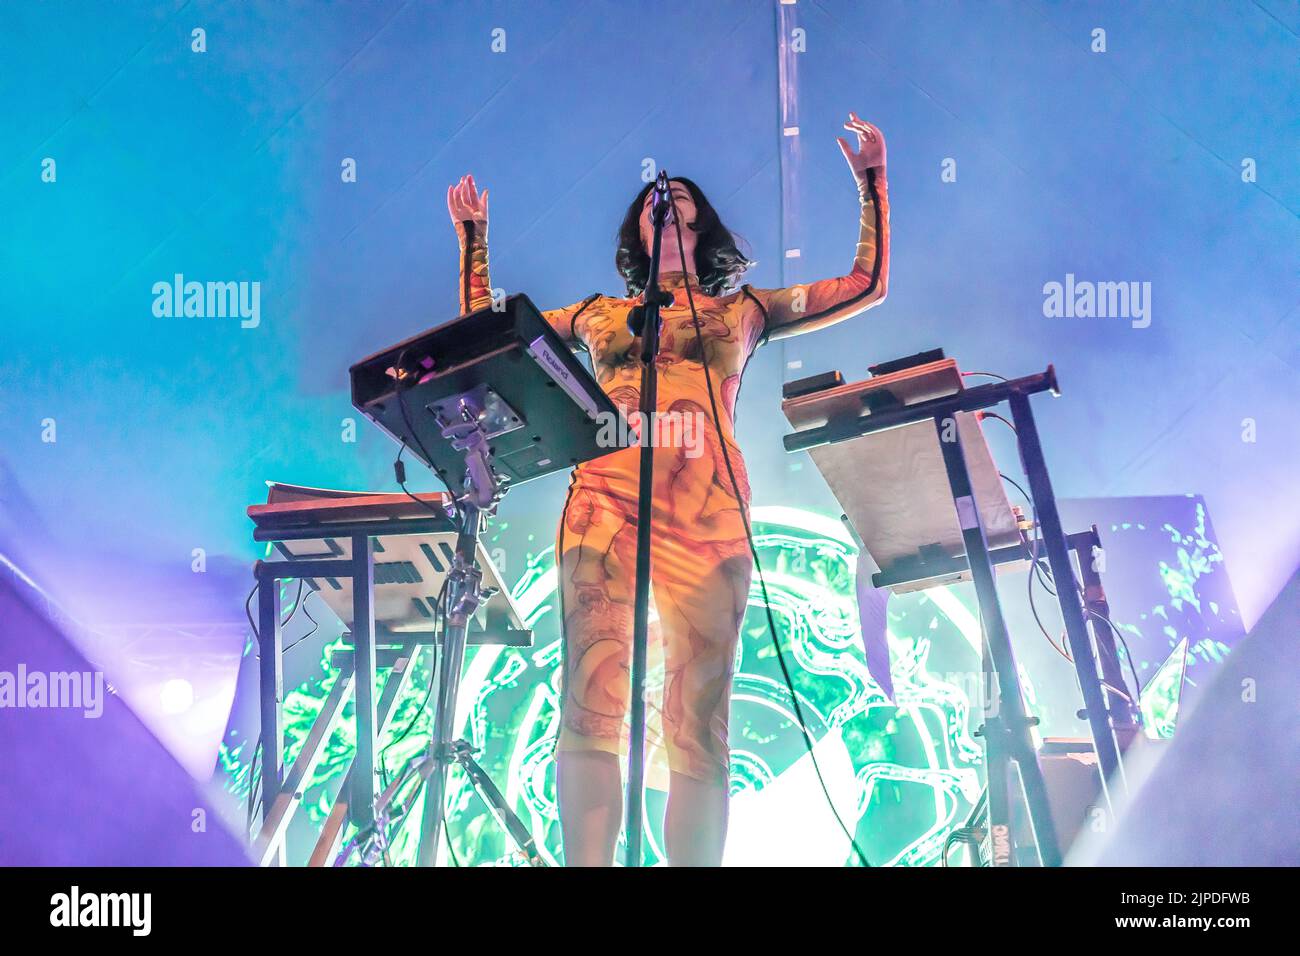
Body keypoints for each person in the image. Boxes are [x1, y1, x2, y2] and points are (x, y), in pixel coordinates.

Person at [447, 112, 890, 866]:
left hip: (709, 510)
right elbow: (489, 336)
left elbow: (863, 287)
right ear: (639, 231)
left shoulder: (745, 309)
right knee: (593, 704)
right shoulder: (598, 313)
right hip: (606, 504)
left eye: (682, 195)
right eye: (656, 197)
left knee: (699, 718)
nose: (667, 197)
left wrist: (871, 181)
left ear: (702, 222)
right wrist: (474, 239)